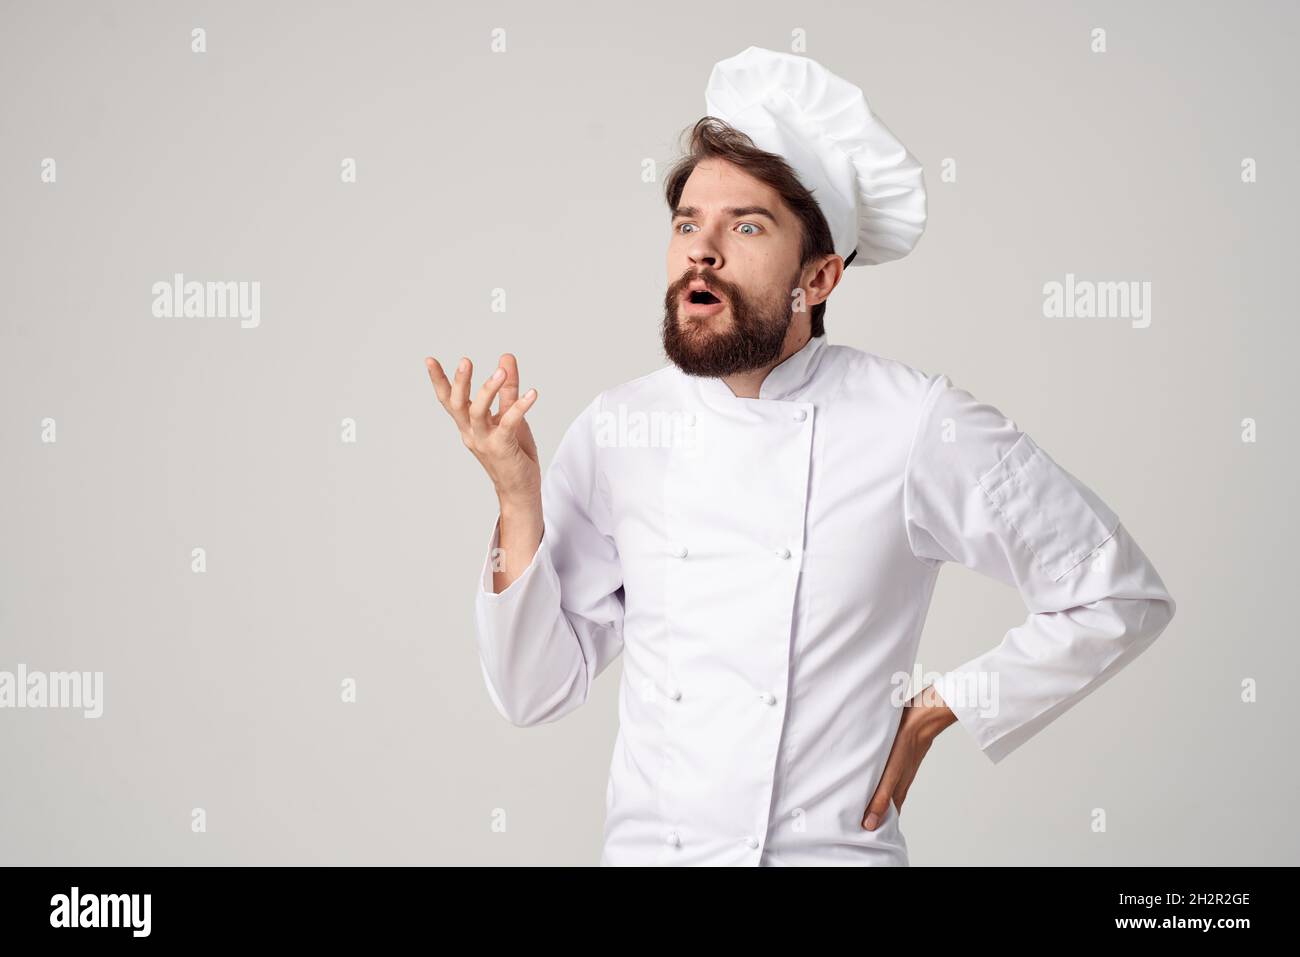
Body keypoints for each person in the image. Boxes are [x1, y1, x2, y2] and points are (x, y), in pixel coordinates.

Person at [425, 47, 1176, 866]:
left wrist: (944, 705)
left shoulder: (913, 422)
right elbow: (532, 690)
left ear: (817, 279)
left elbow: (1117, 592)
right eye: (687, 224)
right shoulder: (620, 429)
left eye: (745, 226)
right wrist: (517, 497)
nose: (702, 251)